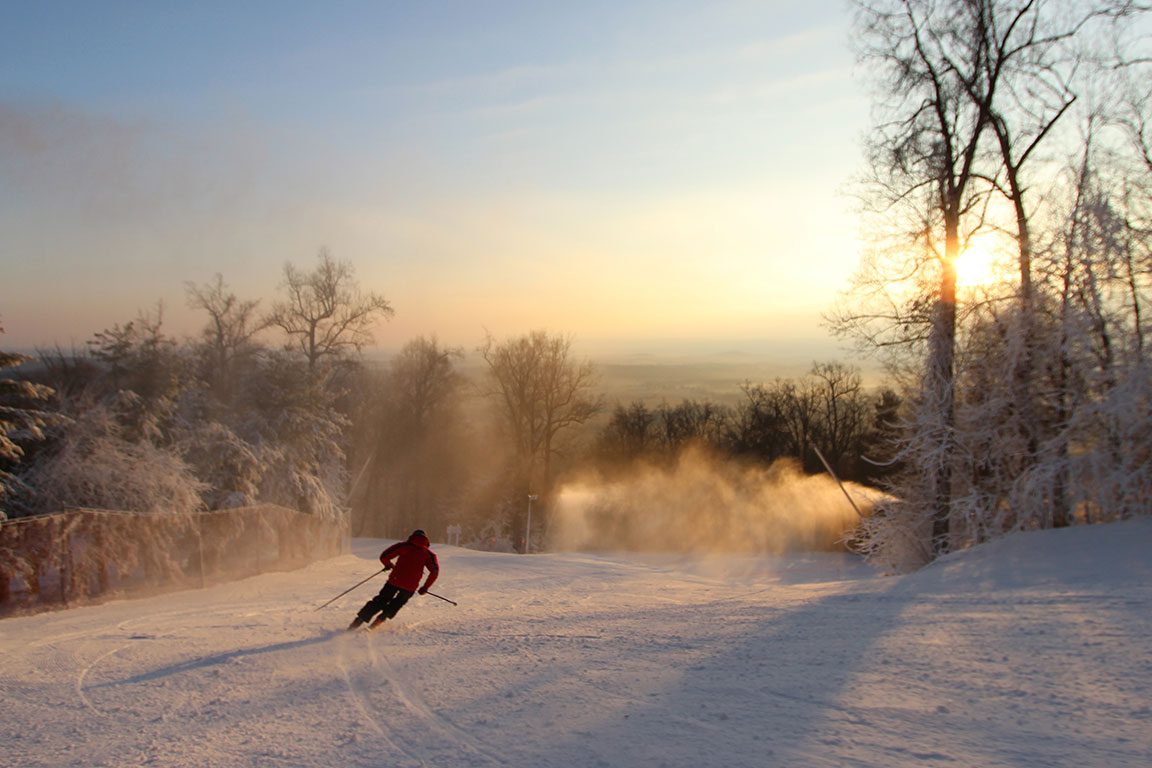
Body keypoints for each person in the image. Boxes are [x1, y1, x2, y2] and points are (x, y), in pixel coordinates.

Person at [348, 529, 439, 631]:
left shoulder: (403, 546)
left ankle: (357, 622)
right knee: (396, 604)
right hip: (410, 587)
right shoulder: (429, 554)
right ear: (426, 540)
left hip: (395, 581)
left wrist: (388, 565)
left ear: (412, 537)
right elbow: (434, 572)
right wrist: (425, 587)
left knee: (380, 601)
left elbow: (384, 556)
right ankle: (377, 623)